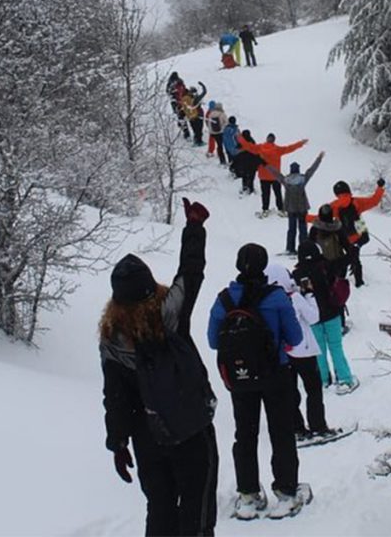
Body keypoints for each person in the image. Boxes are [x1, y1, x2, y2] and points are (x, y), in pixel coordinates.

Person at [100, 198, 218, 536]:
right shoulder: (171, 313)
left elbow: (116, 397)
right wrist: (194, 227)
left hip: (147, 436)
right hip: (192, 430)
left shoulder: (111, 338)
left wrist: (118, 442)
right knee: (197, 512)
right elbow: (191, 273)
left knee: (161, 510)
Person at [207, 243, 311, 520]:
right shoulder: (276, 297)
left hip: (240, 379)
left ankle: (248, 495)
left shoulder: (224, 299)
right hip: (275, 374)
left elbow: (212, 340)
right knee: (281, 432)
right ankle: (287, 491)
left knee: (245, 434)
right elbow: (296, 338)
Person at [266, 262, 336, 443]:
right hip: (303, 350)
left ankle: (297, 428)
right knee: (313, 390)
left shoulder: (269, 302)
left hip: (282, 353)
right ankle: (318, 426)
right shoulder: (295, 298)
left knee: (290, 392)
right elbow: (313, 317)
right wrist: (310, 294)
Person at [293, 239, 357, 395]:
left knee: (319, 350)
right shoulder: (326, 266)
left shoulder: (297, 274)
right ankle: (344, 378)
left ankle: (323, 379)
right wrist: (353, 251)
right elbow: (344, 262)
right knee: (336, 347)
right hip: (332, 314)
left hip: (312, 318)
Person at [319, 178, 386, 287]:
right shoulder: (356, 202)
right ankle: (359, 281)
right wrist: (380, 187)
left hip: (344, 235)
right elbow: (374, 201)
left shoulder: (334, 205)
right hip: (359, 229)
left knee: (344, 257)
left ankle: (340, 278)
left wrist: (305, 217)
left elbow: (322, 218)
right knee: (357, 253)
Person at [237, 132, 308, 217]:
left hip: (263, 176)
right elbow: (290, 148)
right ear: (274, 141)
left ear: (267, 139)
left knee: (265, 194)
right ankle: (281, 209)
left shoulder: (259, 148)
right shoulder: (278, 149)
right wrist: (301, 143)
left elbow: (248, 146)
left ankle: (265, 210)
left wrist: (239, 137)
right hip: (275, 176)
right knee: (278, 193)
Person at [266, 152, 324, 255]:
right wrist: (319, 158)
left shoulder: (286, 180)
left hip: (291, 208)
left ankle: (290, 248)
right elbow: (312, 169)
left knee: (291, 229)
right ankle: (304, 248)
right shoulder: (303, 179)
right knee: (303, 229)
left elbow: (275, 173)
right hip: (302, 208)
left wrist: (266, 164)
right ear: (298, 170)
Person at [229, 130, 262, 196]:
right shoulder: (253, 143)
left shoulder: (240, 145)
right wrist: (258, 165)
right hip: (252, 165)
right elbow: (258, 155)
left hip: (243, 165)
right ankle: (251, 189)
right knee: (251, 177)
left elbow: (236, 156)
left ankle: (245, 187)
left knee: (244, 177)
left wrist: (233, 166)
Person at [179, 81, 208, 146]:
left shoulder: (185, 98)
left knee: (195, 130)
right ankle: (199, 142)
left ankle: (196, 141)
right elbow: (204, 92)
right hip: (198, 115)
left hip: (190, 117)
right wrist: (202, 85)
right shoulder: (196, 98)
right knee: (199, 130)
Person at [166, 72, 189, 139]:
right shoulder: (178, 82)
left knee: (181, 116)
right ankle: (186, 132)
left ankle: (184, 130)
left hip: (178, 103)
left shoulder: (170, 84)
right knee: (182, 116)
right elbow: (184, 90)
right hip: (181, 102)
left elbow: (168, 93)